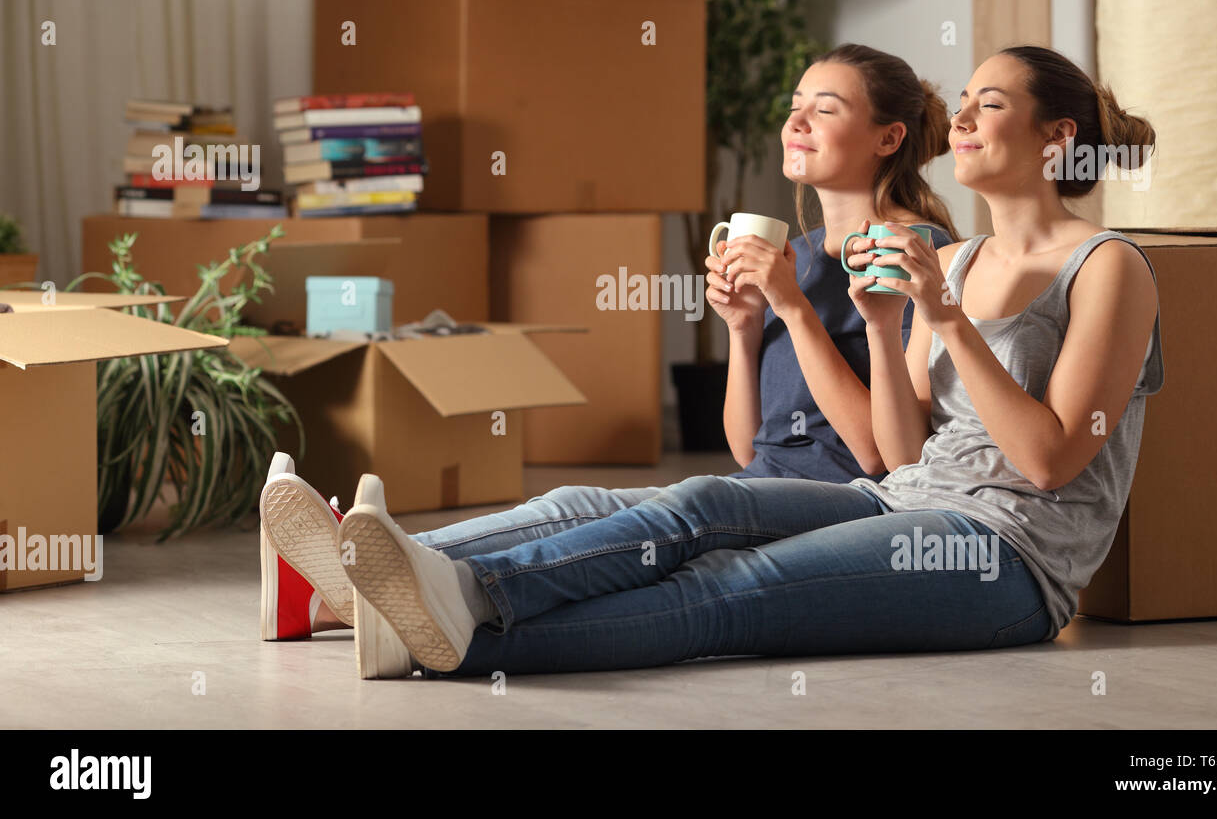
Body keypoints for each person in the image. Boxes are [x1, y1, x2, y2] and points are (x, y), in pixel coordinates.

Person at [328, 44, 1164, 678]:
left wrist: (943, 318)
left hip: (1005, 556)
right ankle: (452, 587)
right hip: (894, 501)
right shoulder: (955, 260)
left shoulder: (1108, 267)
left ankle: (455, 633)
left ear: (1058, 138)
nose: (965, 120)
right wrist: (884, 326)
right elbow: (904, 455)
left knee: (728, 589)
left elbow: (1050, 460)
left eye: (991, 104)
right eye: (967, 103)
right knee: (701, 502)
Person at [260, 44, 957, 657]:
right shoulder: (795, 254)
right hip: (762, 487)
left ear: (888, 137)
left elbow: (882, 458)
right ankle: (336, 581)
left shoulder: (916, 253)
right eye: (795, 105)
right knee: (577, 501)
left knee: (680, 508)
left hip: (843, 504)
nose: (796, 122)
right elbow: (752, 449)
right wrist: (744, 331)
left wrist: (792, 308)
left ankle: (386, 581)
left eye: (825, 109)